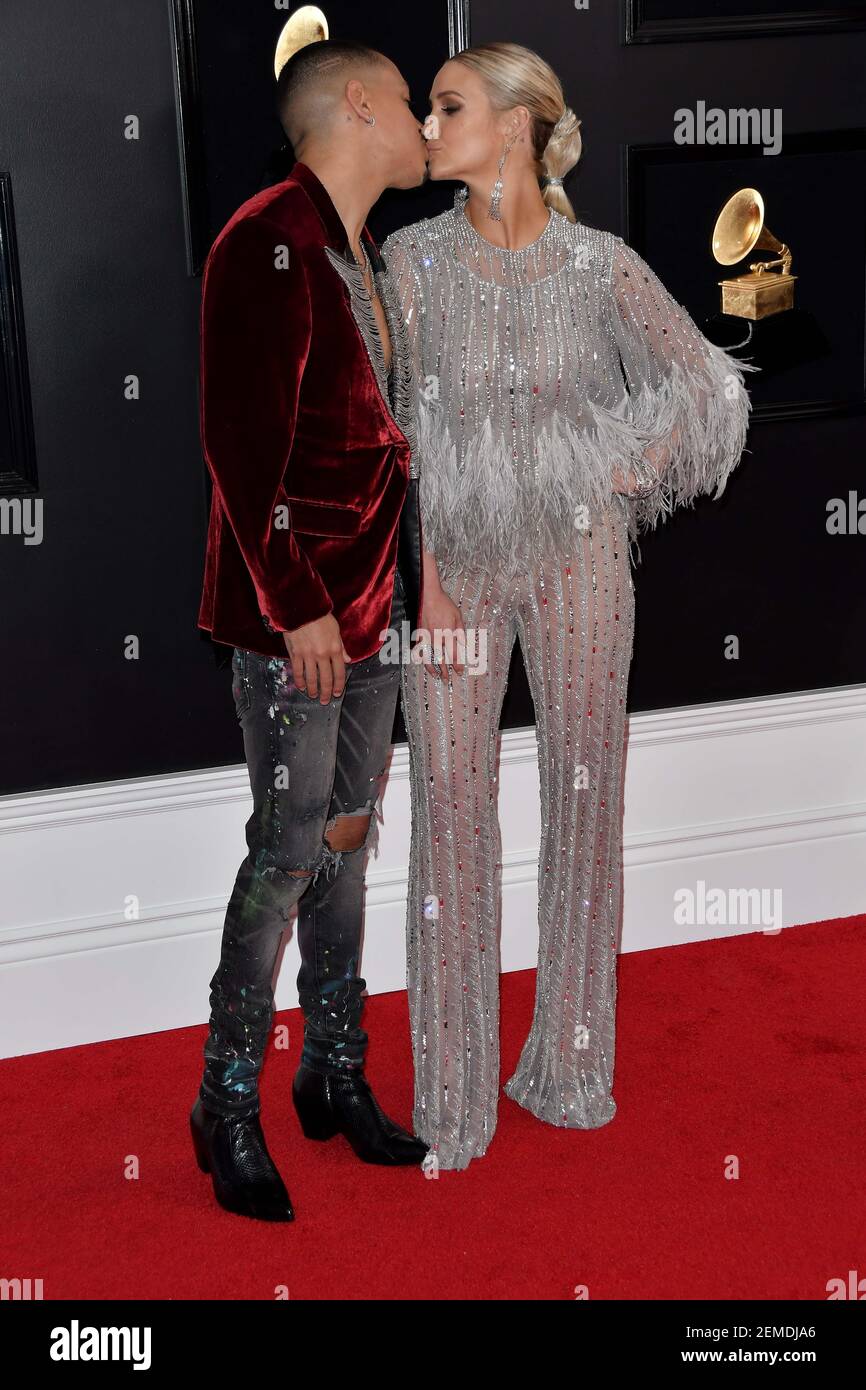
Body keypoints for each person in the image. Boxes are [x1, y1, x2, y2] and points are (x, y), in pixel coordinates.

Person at [382, 41, 758, 1171]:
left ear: (514, 124)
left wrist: (626, 462)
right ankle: (451, 1099)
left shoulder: (601, 267)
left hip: (582, 565)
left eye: (447, 106)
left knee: (583, 808)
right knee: (450, 813)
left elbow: (706, 382)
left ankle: (569, 1064)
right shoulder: (408, 261)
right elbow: (396, 442)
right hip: (453, 567)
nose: (426, 127)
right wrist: (427, 580)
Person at [192, 40, 431, 1220]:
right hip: (301, 625)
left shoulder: (360, 250)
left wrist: (388, 594)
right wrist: (295, 606)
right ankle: (224, 1101)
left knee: (344, 844)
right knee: (287, 853)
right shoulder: (267, 240)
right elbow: (240, 452)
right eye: (407, 101)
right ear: (353, 104)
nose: (422, 123)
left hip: (371, 613)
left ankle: (333, 1072)